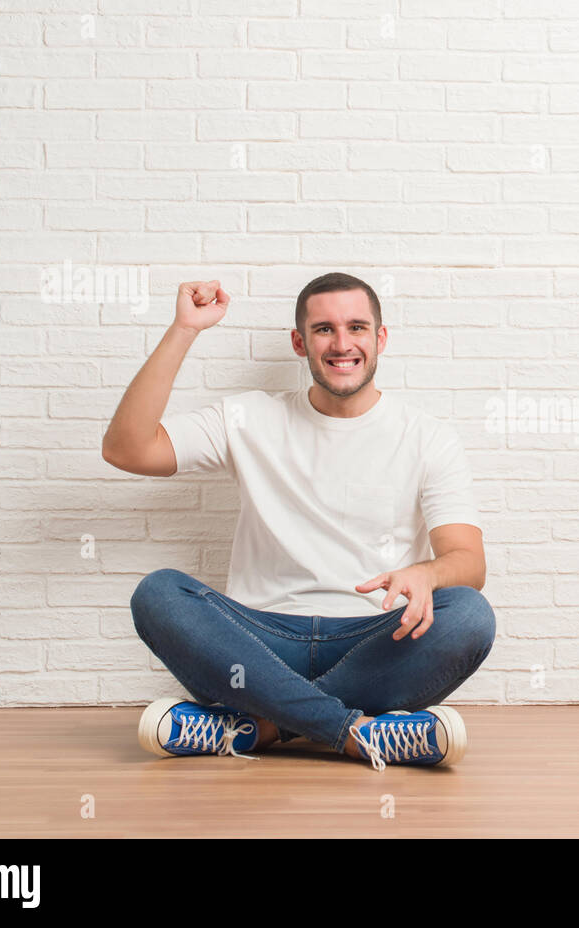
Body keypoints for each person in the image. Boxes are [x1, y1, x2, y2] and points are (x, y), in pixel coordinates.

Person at [101, 273, 495, 772]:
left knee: (469, 614)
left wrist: (427, 573)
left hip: (373, 643)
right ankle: (353, 734)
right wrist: (185, 329)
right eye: (324, 329)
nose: (342, 343)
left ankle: (261, 728)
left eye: (357, 327)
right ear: (299, 342)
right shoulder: (248, 417)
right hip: (260, 643)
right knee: (158, 594)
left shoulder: (427, 437)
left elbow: (469, 563)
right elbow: (126, 449)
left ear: (380, 338)